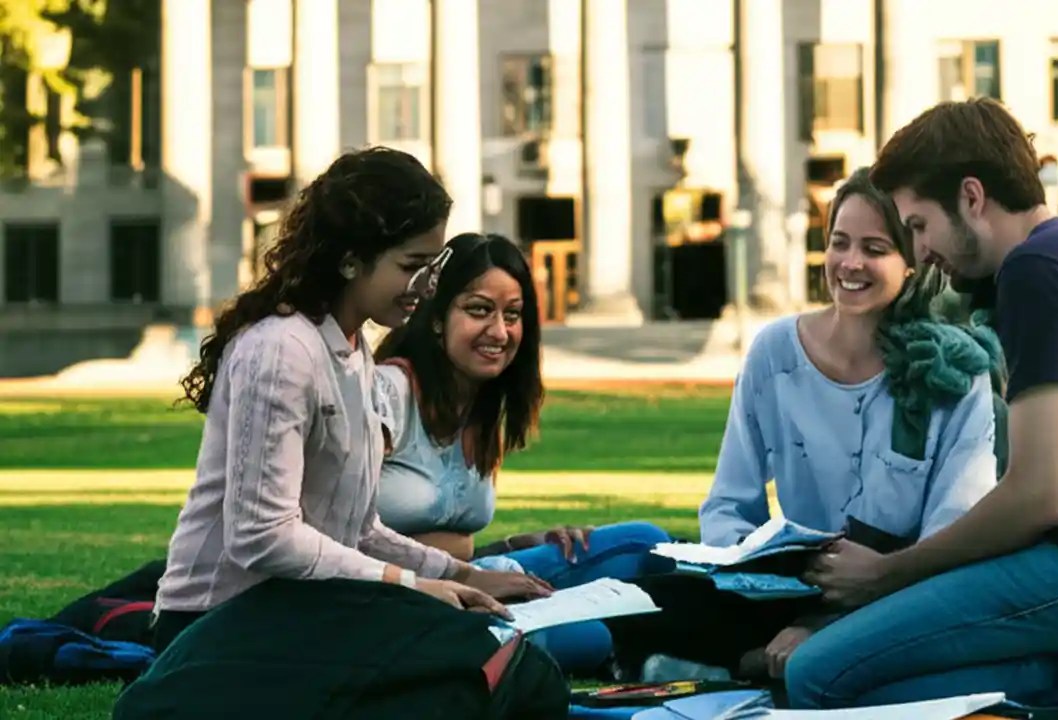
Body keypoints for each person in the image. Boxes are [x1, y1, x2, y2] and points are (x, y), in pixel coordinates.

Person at [776, 97, 1058, 709]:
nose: (922, 250)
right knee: (854, 666)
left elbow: (1038, 494)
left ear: (971, 197)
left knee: (815, 676)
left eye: (918, 225)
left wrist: (888, 572)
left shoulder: (1035, 272)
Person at [606, 168, 1003, 683]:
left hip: (900, 592)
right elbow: (728, 505)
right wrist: (761, 576)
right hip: (787, 594)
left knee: (928, 632)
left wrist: (834, 614)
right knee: (640, 594)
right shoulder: (775, 353)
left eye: (875, 248)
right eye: (840, 243)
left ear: (911, 264)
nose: (851, 264)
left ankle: (755, 666)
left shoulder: (953, 373)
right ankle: (767, 661)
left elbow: (951, 533)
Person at [153, 147, 551, 654]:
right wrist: (409, 585)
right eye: (413, 265)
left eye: (434, 265)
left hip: (300, 609)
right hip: (215, 626)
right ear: (350, 261)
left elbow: (358, 530)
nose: (427, 286)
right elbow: (262, 536)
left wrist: (464, 574)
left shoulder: (353, 350)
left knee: (498, 645)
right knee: (462, 655)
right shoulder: (282, 350)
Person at [372, 231, 671, 675]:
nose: (499, 331)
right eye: (478, 310)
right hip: (401, 596)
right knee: (585, 639)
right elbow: (336, 533)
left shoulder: (482, 406)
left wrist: (515, 543)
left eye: (513, 314)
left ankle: (657, 653)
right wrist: (458, 570)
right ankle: (637, 658)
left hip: (476, 574)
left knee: (648, 544)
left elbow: (459, 539)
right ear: (436, 316)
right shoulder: (387, 393)